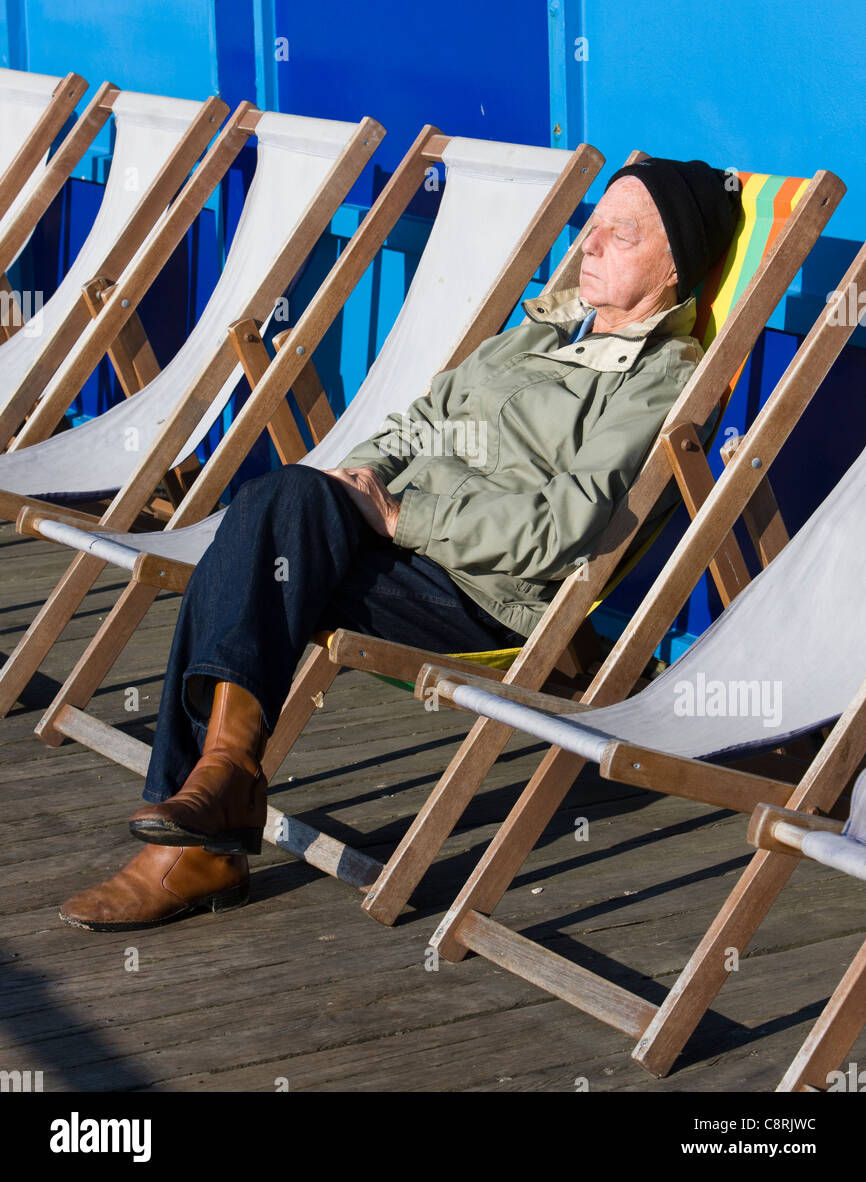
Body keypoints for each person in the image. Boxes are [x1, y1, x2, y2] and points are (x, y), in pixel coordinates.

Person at [59, 157, 742, 930]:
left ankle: (205, 824)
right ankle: (218, 787)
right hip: (405, 552)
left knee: (251, 548)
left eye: (618, 235)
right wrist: (365, 479)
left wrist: (399, 519)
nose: (588, 245)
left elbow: (562, 528)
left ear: (674, 265)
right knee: (276, 510)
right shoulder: (532, 336)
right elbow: (420, 425)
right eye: (590, 226)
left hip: (486, 598)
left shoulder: (660, 378)